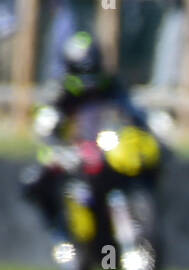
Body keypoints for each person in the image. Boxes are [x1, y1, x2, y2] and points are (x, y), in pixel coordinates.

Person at [18, 31, 154, 246]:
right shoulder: (60, 92)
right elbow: (45, 125)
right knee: (34, 180)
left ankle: (127, 226)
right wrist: (60, 148)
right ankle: (61, 235)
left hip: (106, 152)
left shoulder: (112, 86)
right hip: (71, 154)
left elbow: (134, 112)